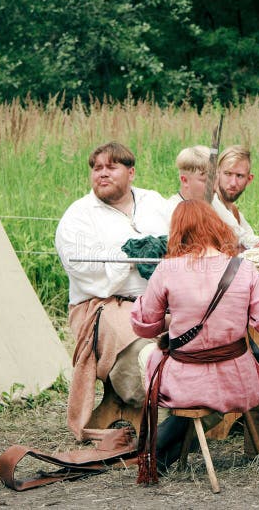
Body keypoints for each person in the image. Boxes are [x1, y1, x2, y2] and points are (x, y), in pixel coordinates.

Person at [130, 199, 259, 475]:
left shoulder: (167, 270)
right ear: (216, 227)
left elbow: (145, 326)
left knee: (146, 353)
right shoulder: (244, 269)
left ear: (177, 231)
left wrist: (175, 317)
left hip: (186, 387)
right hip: (236, 383)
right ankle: (174, 440)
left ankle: (166, 442)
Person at [54, 141, 172, 441]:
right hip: (103, 304)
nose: (102, 174)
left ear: (131, 172)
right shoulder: (78, 217)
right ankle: (164, 413)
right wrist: (131, 258)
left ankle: (201, 403)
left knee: (200, 331)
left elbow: (180, 243)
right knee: (139, 345)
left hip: (162, 299)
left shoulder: (155, 202)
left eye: (111, 167)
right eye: (96, 168)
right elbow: (91, 277)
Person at [212, 145, 259, 249]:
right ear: (217, 174)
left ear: (249, 179)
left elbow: (251, 239)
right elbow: (243, 239)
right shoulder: (210, 204)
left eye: (239, 176)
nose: (233, 183)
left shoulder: (234, 211)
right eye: (228, 174)